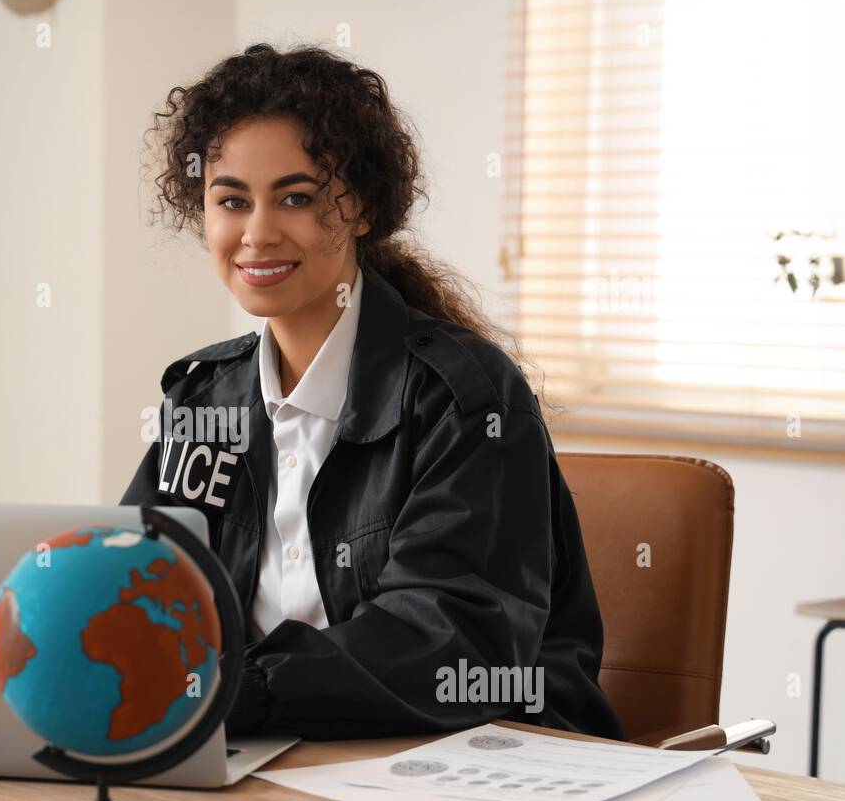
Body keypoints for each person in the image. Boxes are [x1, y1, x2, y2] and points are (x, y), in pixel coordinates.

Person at [121, 42, 623, 743]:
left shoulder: (466, 400)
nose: (257, 233)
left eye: (295, 197)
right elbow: (141, 590)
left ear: (356, 207)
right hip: (270, 756)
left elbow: (449, 645)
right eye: (231, 200)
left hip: (477, 759)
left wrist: (236, 691)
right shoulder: (205, 400)